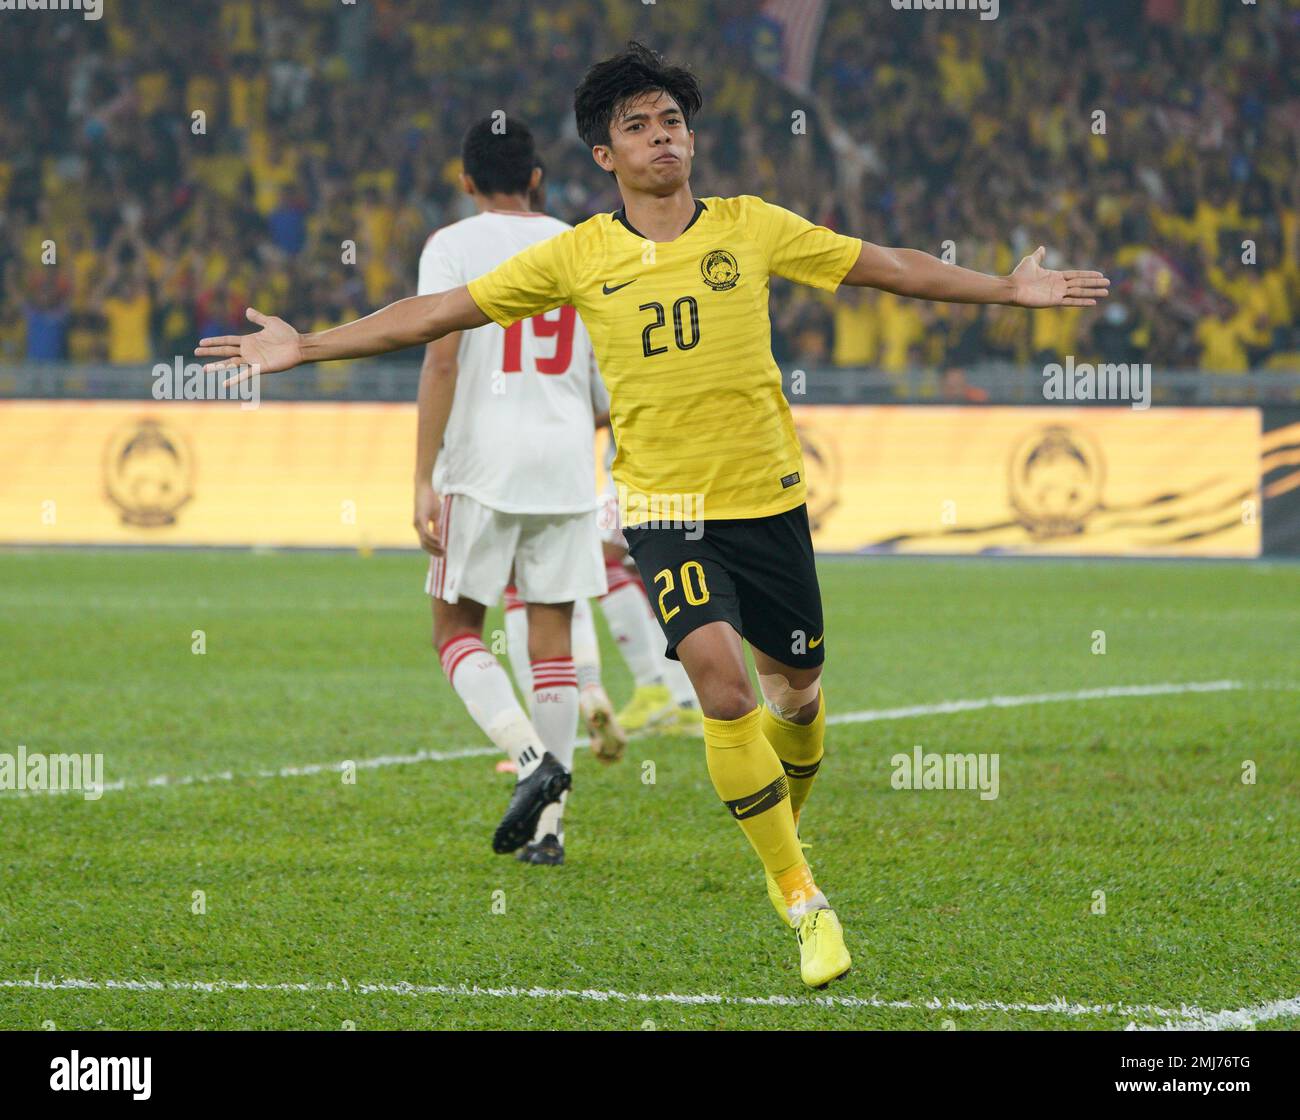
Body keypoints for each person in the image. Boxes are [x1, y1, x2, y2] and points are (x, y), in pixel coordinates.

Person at [198, 42, 1108, 988]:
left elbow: (884, 268)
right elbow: (438, 316)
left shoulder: (752, 226)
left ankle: (780, 812)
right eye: (636, 126)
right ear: (604, 156)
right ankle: (801, 898)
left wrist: (1006, 287)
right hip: (665, 507)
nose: (660, 136)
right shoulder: (581, 253)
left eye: (670, 120)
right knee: (723, 688)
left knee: (795, 688)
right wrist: (306, 346)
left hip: (769, 500)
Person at [411, 117, 612, 864]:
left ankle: (532, 762)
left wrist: (422, 476)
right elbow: (604, 391)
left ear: (466, 181)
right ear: (535, 176)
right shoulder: (582, 244)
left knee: (456, 629)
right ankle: (551, 830)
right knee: (551, 641)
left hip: (482, 465)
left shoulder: (452, 246)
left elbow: (441, 361)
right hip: (564, 464)